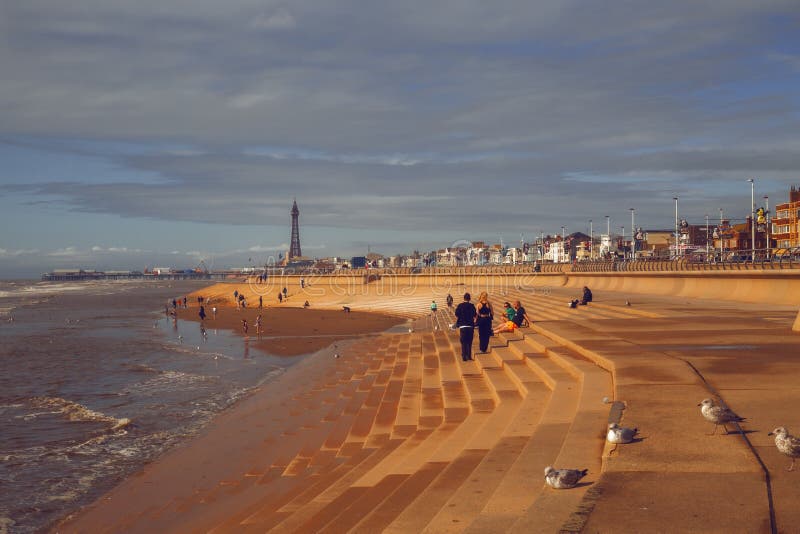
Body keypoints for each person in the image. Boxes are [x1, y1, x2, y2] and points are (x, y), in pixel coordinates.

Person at [454, 293, 477, 361]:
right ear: (469, 299)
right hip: (470, 326)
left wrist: (461, 316)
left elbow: (456, 314)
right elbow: (474, 314)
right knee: (469, 342)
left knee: (463, 342)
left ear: (464, 298)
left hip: (463, 326)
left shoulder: (460, 305)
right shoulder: (472, 306)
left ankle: (464, 356)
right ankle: (469, 356)